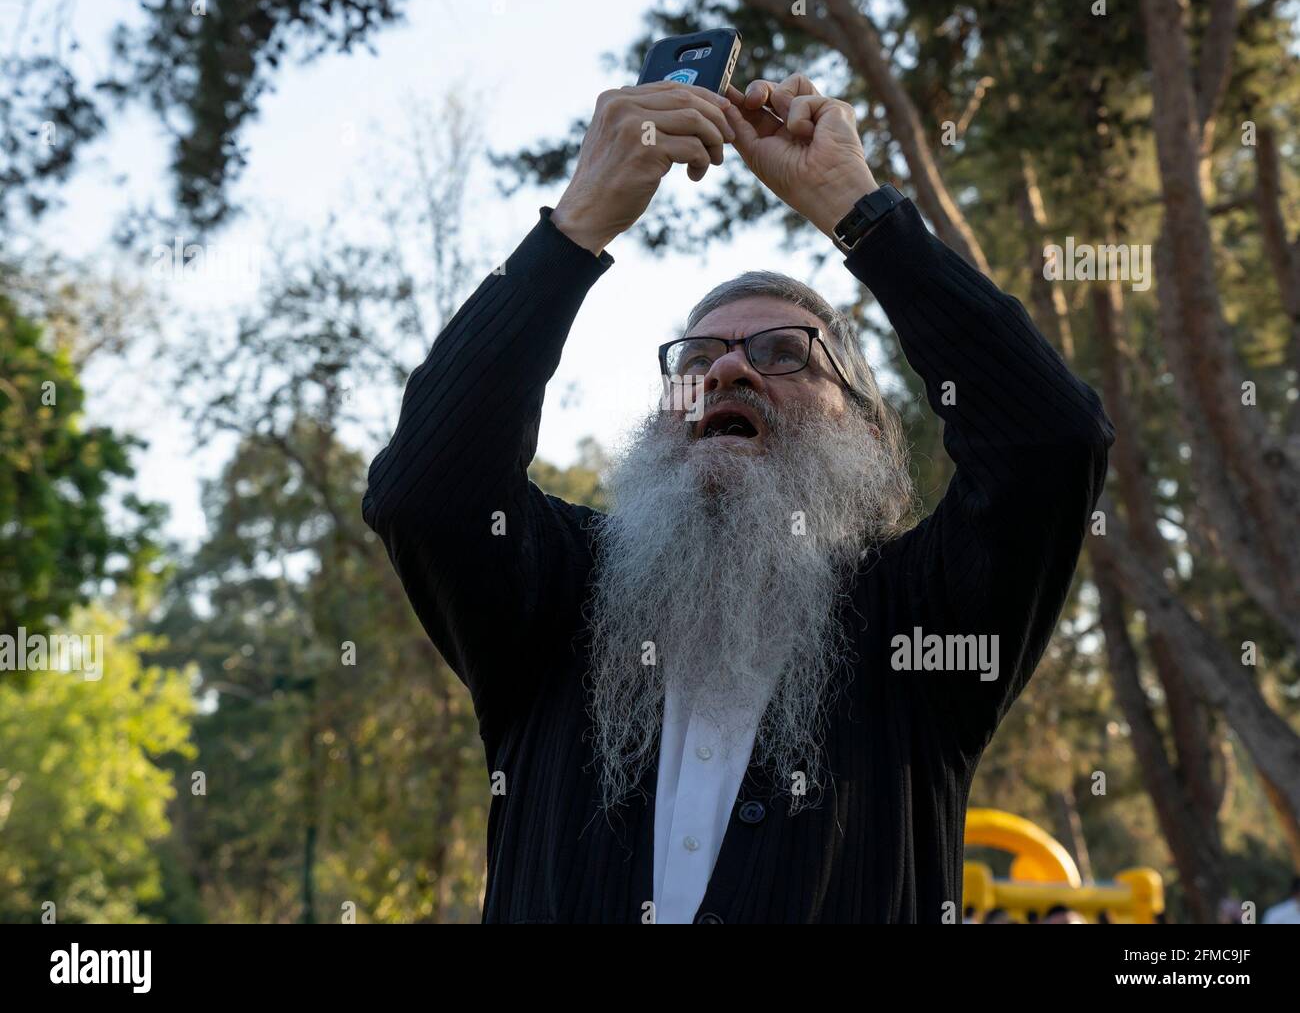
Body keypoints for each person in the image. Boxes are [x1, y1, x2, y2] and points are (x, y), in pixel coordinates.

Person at [363, 73, 1115, 923]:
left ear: (866, 434)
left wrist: (857, 209)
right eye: (698, 359)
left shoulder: (922, 625)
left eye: (783, 352)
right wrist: (576, 228)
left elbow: (1049, 441)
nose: (727, 369)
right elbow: (426, 488)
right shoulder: (556, 600)